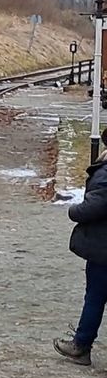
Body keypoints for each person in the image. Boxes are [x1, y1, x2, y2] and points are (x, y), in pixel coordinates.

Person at [54, 147, 107, 366]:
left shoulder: (105, 174)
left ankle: (81, 346)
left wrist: (74, 210)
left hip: (102, 248)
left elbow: (96, 205)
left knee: (95, 297)